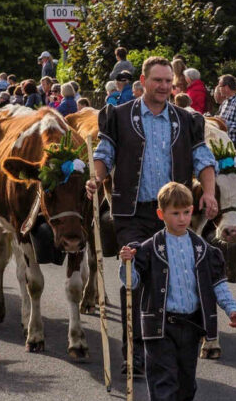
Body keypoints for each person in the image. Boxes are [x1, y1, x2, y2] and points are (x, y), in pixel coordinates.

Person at [88, 56, 218, 377]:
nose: (162, 87)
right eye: (157, 81)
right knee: (133, 274)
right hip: (133, 211)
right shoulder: (118, 116)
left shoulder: (187, 120)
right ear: (143, 82)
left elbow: (203, 158)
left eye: (167, 81)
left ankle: (161, 348)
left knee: (166, 281)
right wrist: (96, 177)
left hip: (173, 215)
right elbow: (104, 153)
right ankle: (132, 354)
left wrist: (211, 192)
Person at [118, 182, 236, 401]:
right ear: (162, 215)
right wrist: (126, 263)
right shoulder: (149, 249)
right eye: (175, 213)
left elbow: (218, 284)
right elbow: (132, 283)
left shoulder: (204, 249)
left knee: (187, 384)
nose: (182, 219)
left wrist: (231, 309)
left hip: (191, 325)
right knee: (163, 378)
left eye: (187, 212)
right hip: (159, 325)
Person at [214, 75, 236, 145]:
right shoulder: (225, 102)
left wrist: (226, 124)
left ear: (226, 87)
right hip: (225, 143)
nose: (218, 88)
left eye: (220, 86)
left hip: (235, 144)